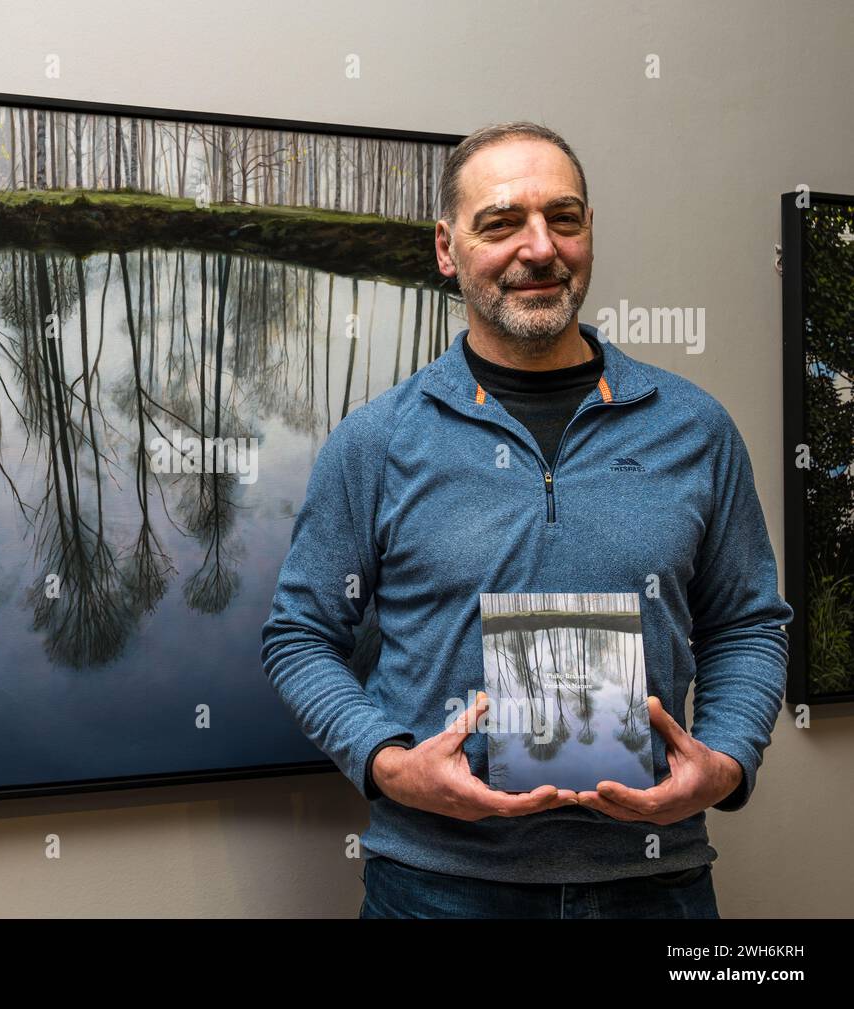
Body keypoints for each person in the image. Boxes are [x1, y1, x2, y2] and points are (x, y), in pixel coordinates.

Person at [259, 121, 792, 919]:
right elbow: (299, 634)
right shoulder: (377, 440)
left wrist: (728, 758)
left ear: (587, 234)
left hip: (658, 883)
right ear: (447, 248)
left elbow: (748, 623)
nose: (539, 248)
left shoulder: (695, 427)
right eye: (501, 222)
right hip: (436, 887)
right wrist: (385, 761)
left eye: (564, 218)